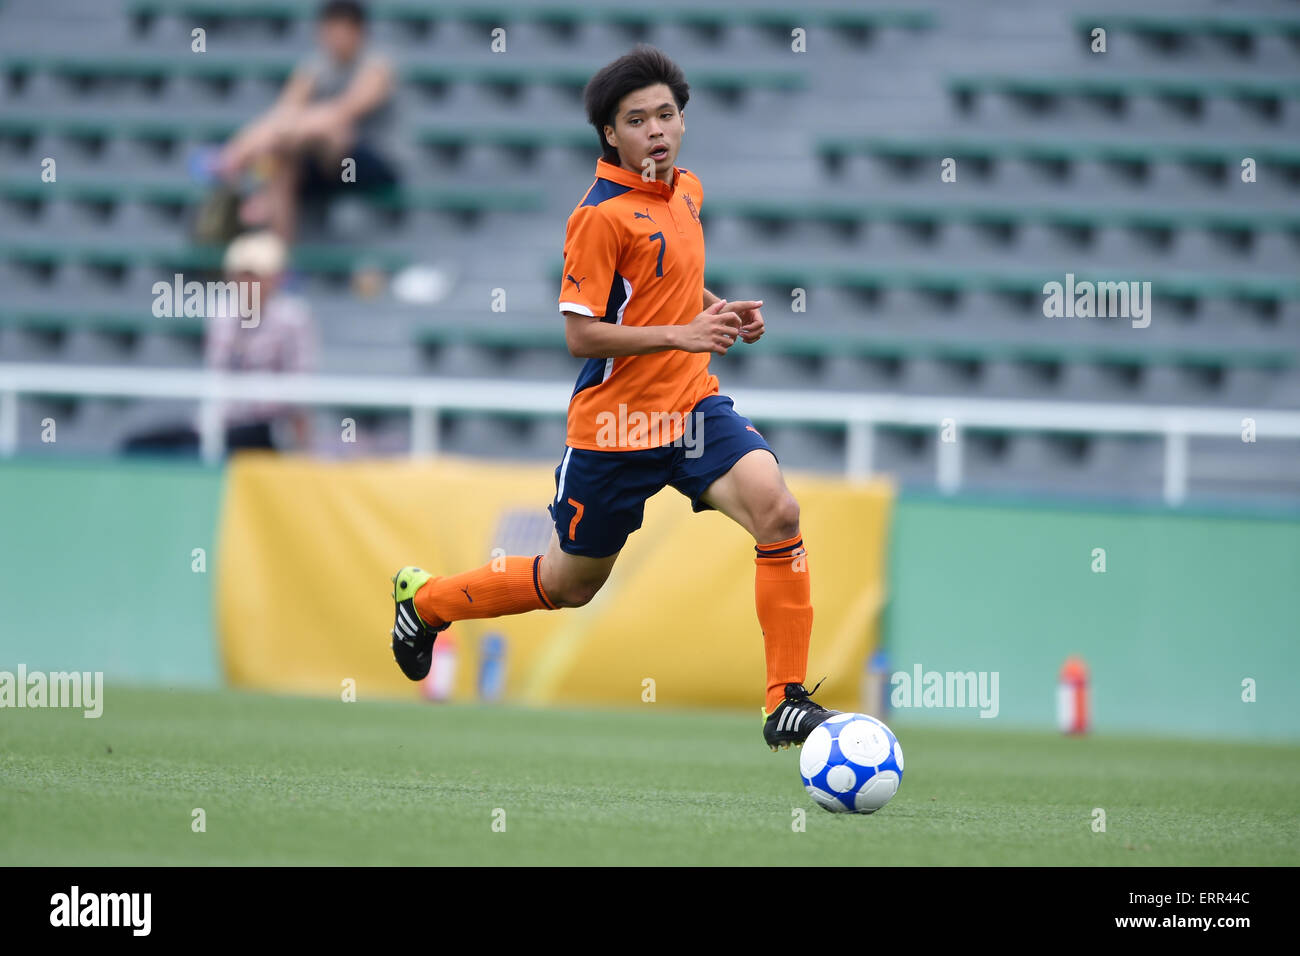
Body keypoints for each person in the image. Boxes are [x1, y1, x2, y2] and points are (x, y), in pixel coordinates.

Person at [388, 46, 835, 751]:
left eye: (666, 114)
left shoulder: (687, 191)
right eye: (637, 119)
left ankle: (784, 700)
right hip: (614, 429)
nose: (656, 129)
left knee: (777, 508)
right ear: (609, 134)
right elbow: (582, 334)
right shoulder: (597, 217)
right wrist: (685, 333)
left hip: (690, 409)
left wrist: (718, 312)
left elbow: (670, 288)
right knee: (571, 584)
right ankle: (428, 602)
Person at [214, 0, 398, 241]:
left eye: (341, 31)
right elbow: (283, 113)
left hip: (367, 163)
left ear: (358, 32)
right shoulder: (315, 67)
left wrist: (288, 129)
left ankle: (234, 159)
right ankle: (279, 257)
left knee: (328, 128)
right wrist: (284, 132)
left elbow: (343, 112)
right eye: (329, 31)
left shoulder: (377, 67)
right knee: (284, 159)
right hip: (319, 159)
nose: (334, 39)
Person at [204, 231, 317, 452]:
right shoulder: (222, 316)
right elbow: (217, 375)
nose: (247, 283)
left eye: (254, 275)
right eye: (242, 275)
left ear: (274, 278)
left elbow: (300, 386)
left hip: (275, 430)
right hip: (229, 426)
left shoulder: (293, 318)